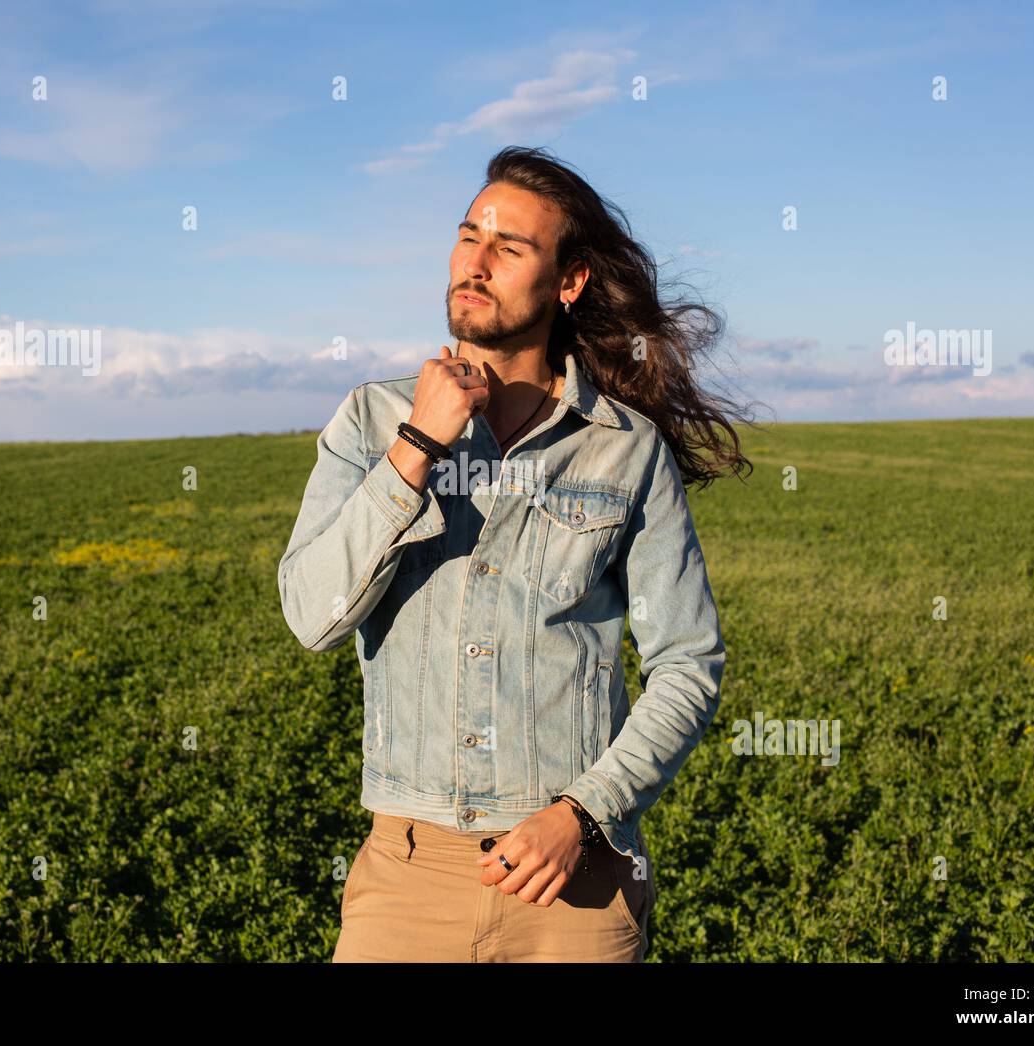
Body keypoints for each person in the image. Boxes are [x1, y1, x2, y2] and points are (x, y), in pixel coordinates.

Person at [278, 146, 750, 963]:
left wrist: (583, 813)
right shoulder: (371, 419)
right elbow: (310, 615)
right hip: (408, 875)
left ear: (568, 283)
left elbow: (687, 662)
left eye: (509, 248)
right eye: (468, 238)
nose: (475, 263)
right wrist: (417, 446)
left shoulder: (624, 451)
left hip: (573, 887)